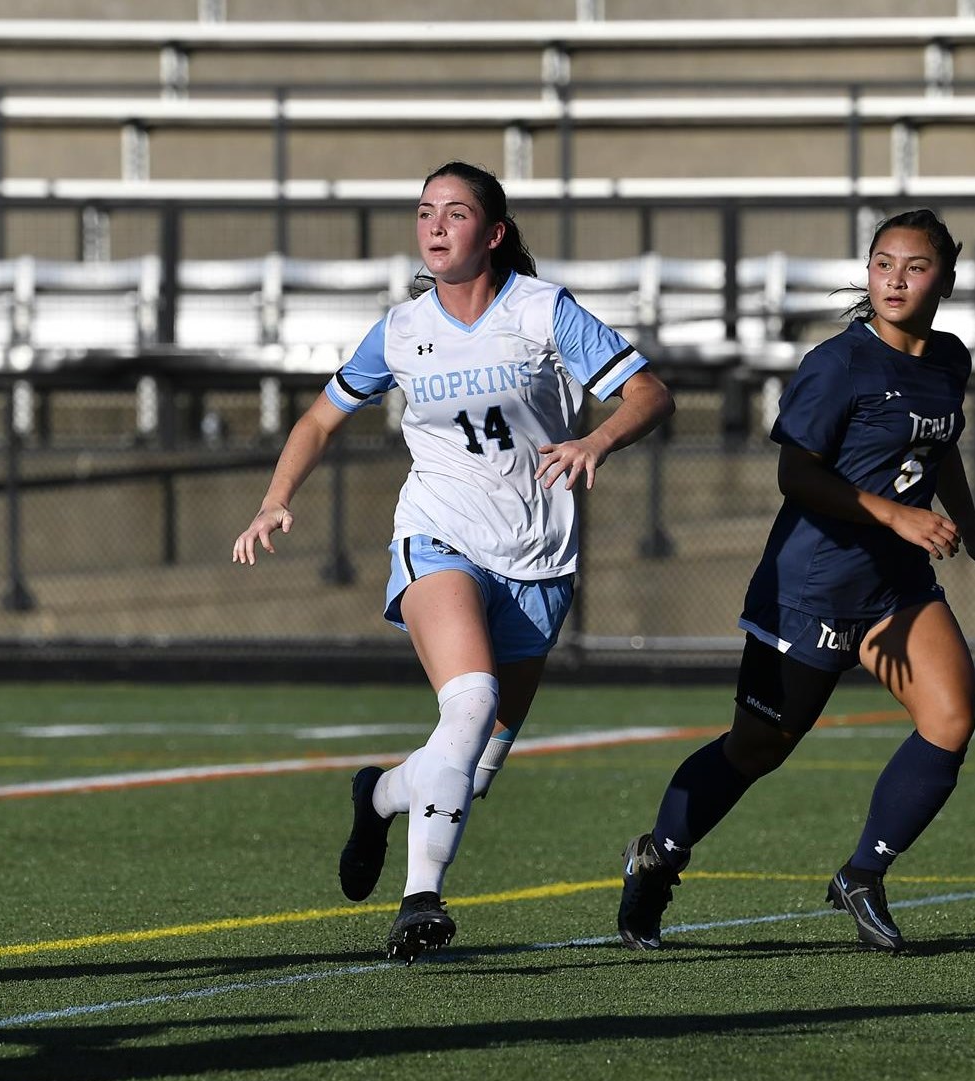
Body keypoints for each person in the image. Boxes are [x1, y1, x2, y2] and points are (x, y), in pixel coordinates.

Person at [232, 161, 674, 961]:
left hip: (539, 556)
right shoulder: (401, 329)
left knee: (467, 773)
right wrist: (274, 497)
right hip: (438, 534)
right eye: (425, 211)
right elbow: (316, 421)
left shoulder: (543, 312)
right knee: (467, 705)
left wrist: (596, 439)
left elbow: (649, 394)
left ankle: (379, 794)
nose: (436, 226)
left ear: (494, 232)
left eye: (456, 212)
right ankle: (421, 900)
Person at [615, 209, 975, 955]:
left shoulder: (949, 359)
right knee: (759, 747)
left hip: (894, 584)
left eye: (915, 265)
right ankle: (657, 856)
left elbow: (941, 449)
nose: (895, 277)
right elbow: (796, 475)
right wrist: (895, 515)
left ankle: (863, 872)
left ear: (946, 281)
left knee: (951, 718)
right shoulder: (837, 363)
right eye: (882, 262)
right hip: (811, 588)